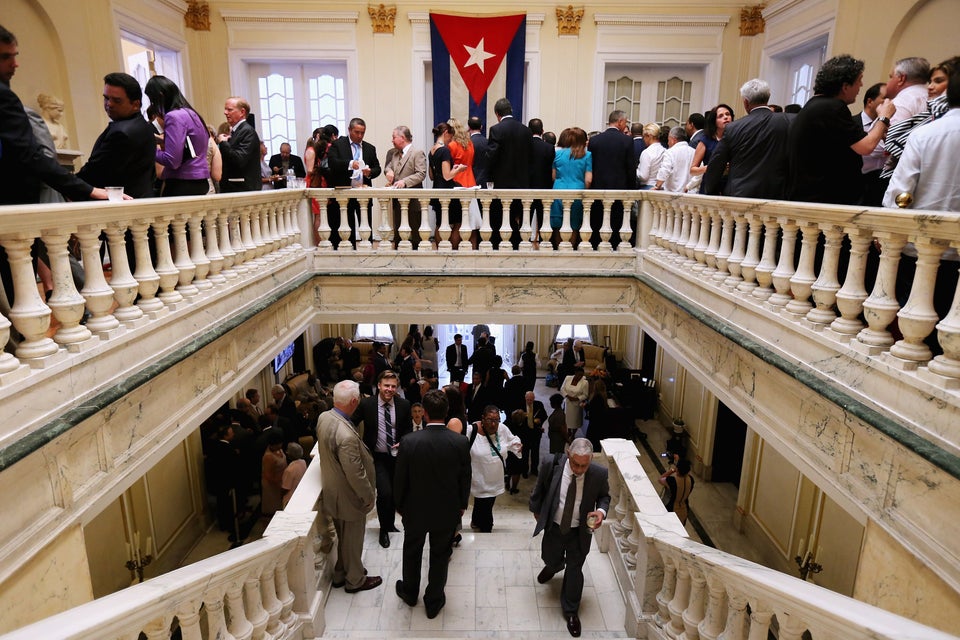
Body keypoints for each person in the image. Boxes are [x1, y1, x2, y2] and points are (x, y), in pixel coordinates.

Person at [394, 389, 472, 619]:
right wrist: (461, 506)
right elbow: (465, 477)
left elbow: (400, 479)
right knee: (440, 555)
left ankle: (409, 592)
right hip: (447, 511)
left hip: (414, 510)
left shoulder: (409, 441)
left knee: (412, 551)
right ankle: (433, 601)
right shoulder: (459, 442)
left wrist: (399, 505)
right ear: (447, 412)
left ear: (425, 414)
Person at [787, 54, 895, 205]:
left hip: (810, 197)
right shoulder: (832, 107)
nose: (861, 85)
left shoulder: (814, 105)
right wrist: (884, 117)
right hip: (824, 200)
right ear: (845, 87)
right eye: (859, 81)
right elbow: (866, 147)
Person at [530, 437, 610, 638]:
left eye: (584, 465)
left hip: (579, 531)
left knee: (575, 570)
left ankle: (571, 611)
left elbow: (604, 497)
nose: (579, 469)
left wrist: (601, 511)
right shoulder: (551, 464)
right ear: (568, 455)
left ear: (590, 460)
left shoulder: (599, 474)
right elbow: (539, 489)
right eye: (575, 464)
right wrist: (537, 510)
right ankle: (552, 566)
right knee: (550, 556)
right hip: (555, 526)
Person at [315, 380, 383, 593]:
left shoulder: (324, 417)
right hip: (349, 497)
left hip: (333, 493)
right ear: (354, 401)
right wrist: (368, 495)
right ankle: (355, 580)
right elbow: (355, 473)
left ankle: (339, 574)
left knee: (343, 538)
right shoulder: (346, 436)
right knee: (353, 541)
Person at [702, 78, 793, 199]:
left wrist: (712, 193)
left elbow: (716, 165)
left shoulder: (733, 128)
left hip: (740, 195)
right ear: (768, 97)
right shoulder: (788, 121)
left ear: (745, 102)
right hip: (778, 195)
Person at [352, 370, 411, 548]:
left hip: (397, 458)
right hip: (376, 457)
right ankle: (383, 530)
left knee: (394, 493)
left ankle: (391, 524)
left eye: (393, 386)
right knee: (384, 493)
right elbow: (351, 422)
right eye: (386, 386)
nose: (390, 389)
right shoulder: (367, 405)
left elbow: (408, 430)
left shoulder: (404, 405)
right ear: (379, 385)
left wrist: (403, 442)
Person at [75, 72, 156, 199]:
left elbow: (95, 172)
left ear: (135, 104)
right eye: (106, 98)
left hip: (121, 205)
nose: (109, 104)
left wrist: (71, 185)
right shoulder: (142, 125)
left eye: (117, 100)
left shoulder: (122, 132)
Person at [144, 75, 211, 197]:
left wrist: (149, 149)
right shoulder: (191, 113)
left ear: (161, 96)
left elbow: (172, 160)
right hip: (200, 181)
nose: (153, 106)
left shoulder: (173, 116)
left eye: (153, 101)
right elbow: (191, 145)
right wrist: (159, 140)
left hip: (182, 183)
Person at [325, 117, 382, 247]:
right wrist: (350, 164)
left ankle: (367, 252)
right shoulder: (338, 145)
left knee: (366, 227)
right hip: (345, 193)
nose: (360, 135)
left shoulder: (369, 148)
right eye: (357, 132)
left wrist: (370, 172)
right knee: (346, 228)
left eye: (362, 132)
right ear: (349, 130)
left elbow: (377, 168)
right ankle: (349, 253)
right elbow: (332, 163)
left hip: (363, 193)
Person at [465, 405, 522, 532]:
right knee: (484, 507)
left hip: (495, 478)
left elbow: (512, 440)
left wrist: (516, 445)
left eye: (496, 420)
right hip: (479, 478)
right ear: (483, 419)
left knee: (485, 504)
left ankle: (476, 521)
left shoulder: (502, 429)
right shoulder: (471, 431)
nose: (493, 424)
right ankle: (486, 530)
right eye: (490, 420)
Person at [487, 98, 534, 247]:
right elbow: (530, 157)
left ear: (497, 114)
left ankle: (498, 246)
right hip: (522, 183)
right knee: (517, 217)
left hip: (501, 184)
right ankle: (516, 246)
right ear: (511, 111)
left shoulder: (496, 129)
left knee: (500, 218)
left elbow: (491, 157)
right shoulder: (526, 130)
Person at [587, 110, 635, 247]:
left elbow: (591, 165)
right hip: (619, 189)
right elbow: (630, 168)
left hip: (598, 188)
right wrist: (632, 191)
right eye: (625, 122)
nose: (625, 125)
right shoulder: (627, 140)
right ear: (620, 121)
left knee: (598, 220)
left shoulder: (595, 140)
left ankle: (596, 244)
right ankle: (614, 245)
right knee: (616, 222)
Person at [383, 125, 428, 247]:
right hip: (398, 201)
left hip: (413, 201)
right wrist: (388, 171)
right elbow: (389, 167)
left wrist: (405, 182)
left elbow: (421, 174)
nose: (392, 140)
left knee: (415, 234)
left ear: (402, 138)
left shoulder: (417, 153)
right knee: (398, 233)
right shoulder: (395, 154)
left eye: (394, 137)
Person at [550, 127, 593, 247]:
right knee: (574, 224)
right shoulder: (587, 155)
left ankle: (559, 249)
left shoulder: (557, 154)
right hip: (577, 191)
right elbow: (588, 179)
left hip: (558, 189)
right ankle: (570, 248)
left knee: (558, 224)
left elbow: (553, 176)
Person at [216, 96, 261, 192]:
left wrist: (223, 143)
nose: (225, 112)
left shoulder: (247, 131)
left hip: (241, 188)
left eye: (229, 110)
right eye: (225, 109)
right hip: (234, 187)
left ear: (242, 112)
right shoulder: (237, 131)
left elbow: (239, 160)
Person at [688, 104, 734, 193]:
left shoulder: (735, 138)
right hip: (710, 185)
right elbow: (693, 170)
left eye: (728, 114)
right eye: (721, 116)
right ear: (714, 121)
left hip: (730, 185)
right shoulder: (705, 140)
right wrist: (710, 168)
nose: (725, 117)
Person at [654, 126, 696, 193]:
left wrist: (657, 185)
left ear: (673, 140)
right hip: (690, 193)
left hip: (673, 194)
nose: (668, 143)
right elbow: (699, 173)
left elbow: (665, 170)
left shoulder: (670, 152)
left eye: (668, 140)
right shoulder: (694, 152)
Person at [520, 391, 548, 477]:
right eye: (528, 400)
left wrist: (539, 421)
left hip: (535, 433)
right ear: (525, 398)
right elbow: (515, 418)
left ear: (534, 399)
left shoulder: (539, 405)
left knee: (535, 453)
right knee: (524, 454)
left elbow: (544, 415)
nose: (529, 402)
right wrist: (522, 416)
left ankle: (534, 469)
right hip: (524, 434)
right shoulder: (520, 405)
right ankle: (524, 470)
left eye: (531, 400)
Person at [659, 458, 695, 525]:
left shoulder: (672, 481)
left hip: (671, 508)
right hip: (684, 509)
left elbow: (660, 479)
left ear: (677, 469)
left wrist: (672, 470)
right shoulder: (691, 480)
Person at [260, 429, 287, 516]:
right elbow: (268, 475)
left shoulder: (279, 449)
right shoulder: (268, 457)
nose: (281, 445)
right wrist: (280, 484)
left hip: (280, 481)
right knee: (274, 508)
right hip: (273, 485)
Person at [636, 123, 665, 190]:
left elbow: (643, 176)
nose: (643, 139)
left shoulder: (646, 153)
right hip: (660, 187)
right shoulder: (664, 151)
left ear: (649, 136)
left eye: (644, 136)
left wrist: (636, 171)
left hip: (647, 186)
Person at [560, 371, 589, 437]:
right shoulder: (567, 378)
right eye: (578, 375)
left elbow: (585, 395)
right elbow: (562, 388)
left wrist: (577, 398)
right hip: (568, 402)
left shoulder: (585, 383)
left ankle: (573, 434)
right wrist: (567, 396)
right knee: (567, 419)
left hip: (576, 404)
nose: (580, 377)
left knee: (575, 421)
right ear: (575, 373)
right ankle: (569, 431)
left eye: (581, 375)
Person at [280, 442, 307, 508]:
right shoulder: (303, 462)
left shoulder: (289, 470)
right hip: (300, 494)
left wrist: (280, 496)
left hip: (290, 499)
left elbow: (285, 488)